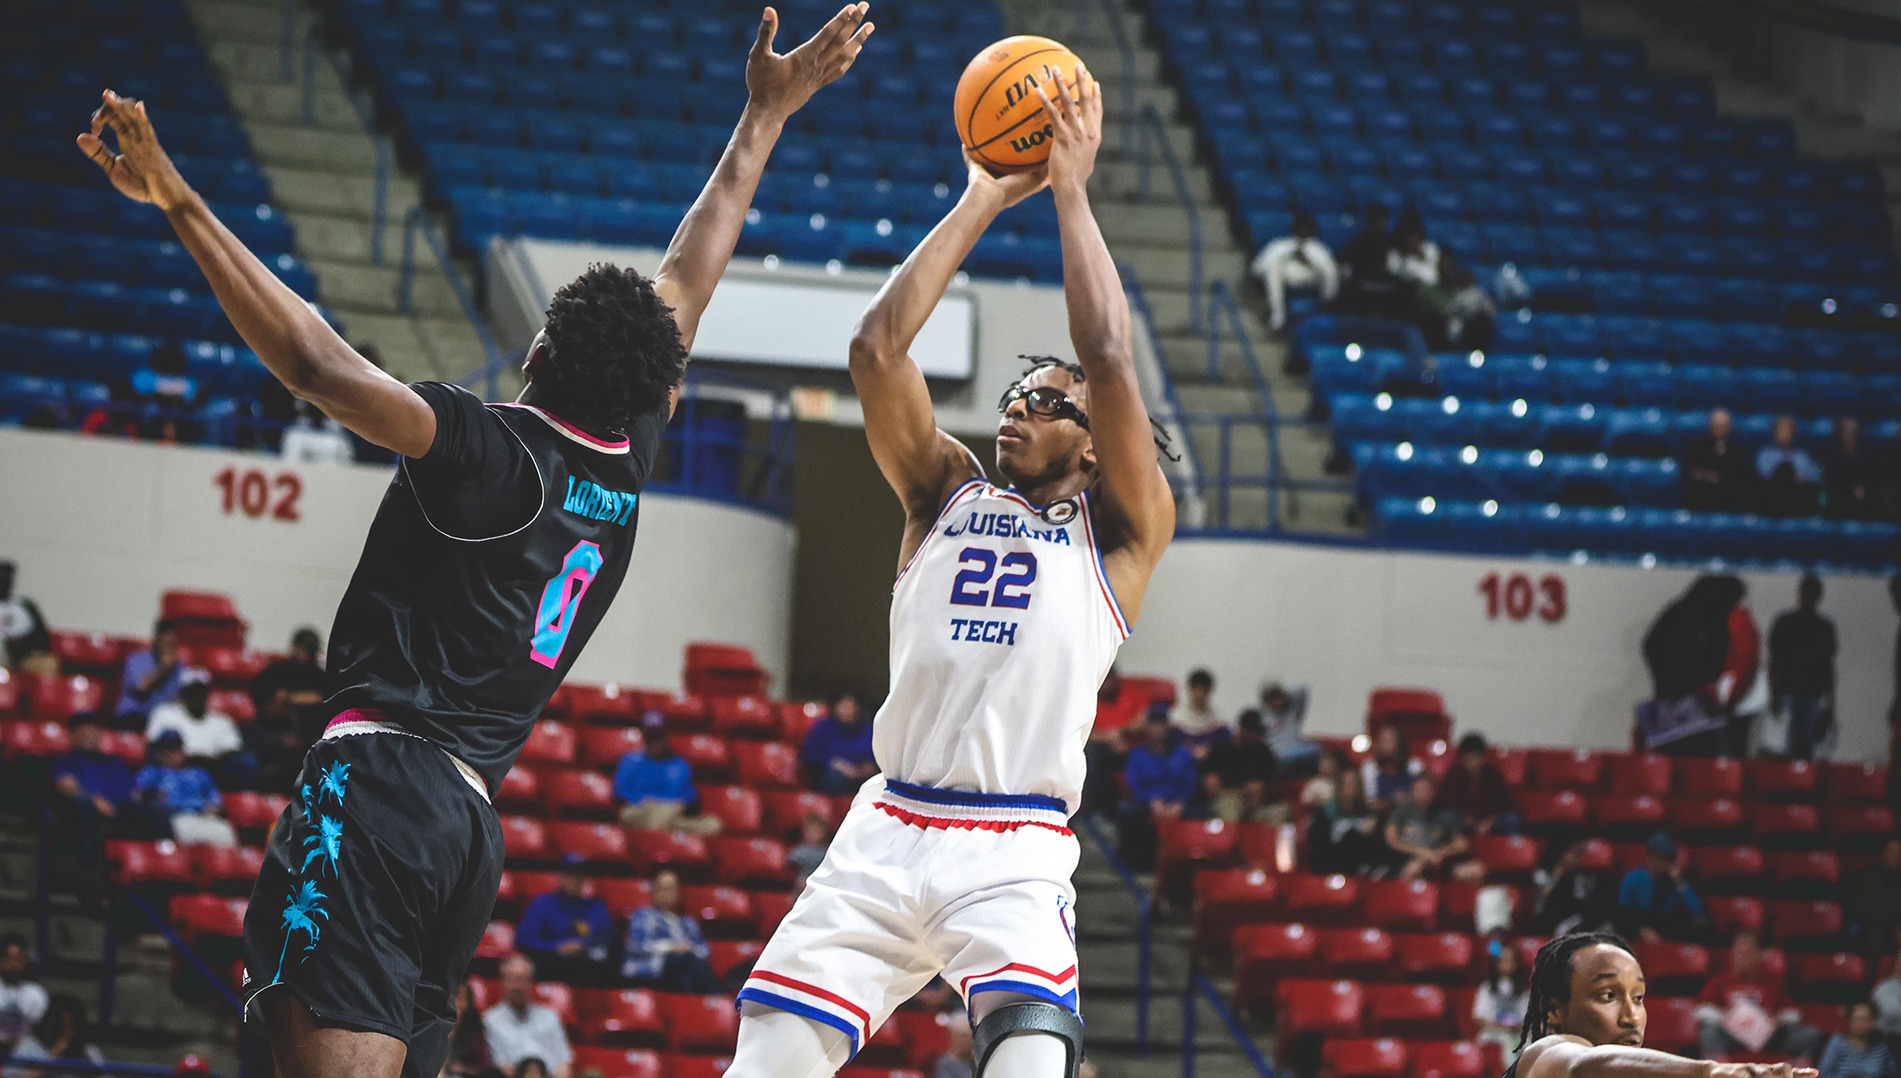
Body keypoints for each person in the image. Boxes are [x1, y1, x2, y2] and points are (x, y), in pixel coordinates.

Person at [82, 14, 869, 1076]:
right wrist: (761, 119)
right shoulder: (623, 463)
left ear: (539, 351)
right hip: (467, 823)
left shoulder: (489, 451)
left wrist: (179, 201)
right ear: (652, 383)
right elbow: (685, 280)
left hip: (379, 788)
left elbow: (318, 367)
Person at [734, 64, 1175, 1078]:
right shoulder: (945, 493)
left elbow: (1106, 352)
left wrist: (1068, 187)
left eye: (1047, 401)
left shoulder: (1119, 535)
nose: (1019, 404)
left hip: (1013, 841)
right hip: (884, 825)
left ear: (1099, 445)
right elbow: (875, 347)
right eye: (1016, 392)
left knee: (1028, 1064)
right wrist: (983, 192)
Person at [1506, 931, 1818, 1078]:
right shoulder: (1543, 1056)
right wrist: (1711, 1071)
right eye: (1607, 996)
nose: (1632, 1017)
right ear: (1556, 1011)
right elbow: (1580, 1062)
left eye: (1638, 997)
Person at [1638, 575, 1743, 757]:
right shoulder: (1711, 620)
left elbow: (1650, 645)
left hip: (1675, 697)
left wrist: (1663, 680)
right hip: (1691, 699)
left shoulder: (1680, 613)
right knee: (1696, 757)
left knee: (1672, 756)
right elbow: (1715, 658)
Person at [1697, 930, 1825, 1061]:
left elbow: (1792, 1014)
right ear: (1733, 955)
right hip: (1733, 1038)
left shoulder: (1772, 981)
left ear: (1757, 955)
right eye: (1740, 953)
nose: (1743, 957)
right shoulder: (1720, 981)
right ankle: (1721, 1072)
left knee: (1811, 1034)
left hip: (1769, 1040)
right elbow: (1701, 1011)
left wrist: (1777, 1019)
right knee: (1709, 1033)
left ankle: (1793, 1071)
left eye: (1748, 953)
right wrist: (1725, 1016)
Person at [514, 855, 613, 985]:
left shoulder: (596, 907)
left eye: (580, 875)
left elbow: (608, 938)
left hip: (588, 969)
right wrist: (556, 947)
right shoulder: (542, 904)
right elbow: (523, 940)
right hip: (551, 968)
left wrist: (583, 945)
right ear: (559, 877)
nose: (576, 880)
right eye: (570, 875)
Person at [247, 628, 326, 791]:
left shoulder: (321, 677)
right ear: (295, 647)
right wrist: (298, 699)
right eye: (305, 649)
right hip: (274, 737)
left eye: (311, 651)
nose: (307, 655)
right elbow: (266, 702)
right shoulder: (276, 672)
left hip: (311, 740)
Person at [1768, 575, 1838, 760]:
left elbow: (1774, 662)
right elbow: (1828, 668)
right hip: (1798, 693)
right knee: (1799, 747)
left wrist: (1774, 693)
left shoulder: (1786, 623)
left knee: (1792, 747)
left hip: (1801, 693)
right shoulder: (1823, 627)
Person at [48, 712, 135, 858]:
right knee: (83, 804)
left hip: (120, 814)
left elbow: (131, 792)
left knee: (154, 810)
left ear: (100, 734)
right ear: (72, 736)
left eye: (92, 731)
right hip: (87, 816)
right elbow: (65, 786)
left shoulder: (115, 762)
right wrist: (95, 801)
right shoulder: (66, 760)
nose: (88, 736)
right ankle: (85, 863)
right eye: (82, 732)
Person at [611, 720, 721, 836]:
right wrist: (645, 801)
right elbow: (620, 792)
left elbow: (689, 794)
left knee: (713, 824)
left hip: (672, 812)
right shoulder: (630, 760)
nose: (655, 742)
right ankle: (658, 834)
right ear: (645, 738)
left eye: (659, 737)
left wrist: (680, 805)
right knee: (652, 816)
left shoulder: (679, 763)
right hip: (640, 810)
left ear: (666, 737)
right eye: (651, 738)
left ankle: (656, 831)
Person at [619, 870, 721, 993]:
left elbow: (705, 951)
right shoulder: (643, 915)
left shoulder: (688, 922)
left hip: (683, 969)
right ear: (654, 891)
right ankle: (718, 996)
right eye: (663, 888)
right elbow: (637, 946)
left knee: (686, 978)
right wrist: (671, 947)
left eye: (672, 888)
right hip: (651, 967)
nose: (668, 893)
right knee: (687, 959)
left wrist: (688, 948)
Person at [1119, 711, 1198, 870]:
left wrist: (1180, 803)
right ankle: (1134, 863)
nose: (1158, 729)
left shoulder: (1182, 753)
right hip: (1147, 802)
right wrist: (1151, 801)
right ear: (1147, 727)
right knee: (1126, 810)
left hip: (1177, 802)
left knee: (1202, 813)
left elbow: (1190, 784)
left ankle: (1191, 866)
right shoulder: (1137, 754)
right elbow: (1134, 785)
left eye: (1162, 724)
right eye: (1154, 724)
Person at [146, 673, 253, 788]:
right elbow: (153, 745)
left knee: (246, 761)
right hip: (179, 769)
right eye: (193, 692)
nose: (198, 696)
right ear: (184, 693)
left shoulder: (221, 721)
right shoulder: (165, 713)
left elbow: (233, 749)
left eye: (201, 692)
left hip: (215, 770)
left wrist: (210, 760)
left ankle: (237, 801)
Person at [134, 732, 237, 846]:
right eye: (168, 750)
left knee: (225, 832)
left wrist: (212, 808)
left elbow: (215, 799)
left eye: (177, 749)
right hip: (175, 818)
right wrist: (153, 796)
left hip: (202, 817)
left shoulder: (198, 773)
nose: (173, 754)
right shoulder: (151, 773)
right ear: (159, 753)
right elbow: (137, 796)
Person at [481, 955, 572, 1078]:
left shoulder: (549, 1017)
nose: (517, 986)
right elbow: (500, 1066)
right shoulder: (490, 1020)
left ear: (531, 982)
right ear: (503, 982)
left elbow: (563, 1062)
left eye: (522, 979)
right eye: (512, 979)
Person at [1386, 774, 1484, 882]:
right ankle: (1412, 898)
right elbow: (1392, 839)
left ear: (1434, 792)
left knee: (1477, 870)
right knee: (1415, 868)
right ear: (1412, 792)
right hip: (1409, 860)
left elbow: (1462, 844)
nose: (1423, 794)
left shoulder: (1448, 814)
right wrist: (1421, 852)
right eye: (1419, 790)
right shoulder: (1401, 812)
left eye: (1427, 790)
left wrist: (1442, 853)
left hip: (1441, 862)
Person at [1251, 211, 1338, 331]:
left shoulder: (1319, 248)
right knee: (1273, 267)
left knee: (1329, 269)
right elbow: (1257, 268)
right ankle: (1278, 315)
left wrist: (1308, 261)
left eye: (1307, 229)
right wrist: (1288, 256)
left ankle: (1327, 305)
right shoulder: (1280, 244)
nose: (1304, 231)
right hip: (1287, 276)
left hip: (1311, 276)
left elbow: (1329, 270)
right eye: (1302, 228)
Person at [1616, 833, 1707, 942]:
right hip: (1640, 924)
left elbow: (1695, 909)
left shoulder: (1678, 881)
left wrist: (1678, 882)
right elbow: (1622, 911)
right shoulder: (1634, 878)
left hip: (1667, 928)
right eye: (1656, 857)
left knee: (1699, 923)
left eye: (1665, 859)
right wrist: (1640, 930)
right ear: (1649, 857)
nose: (1660, 863)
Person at [1200, 711, 1281, 824]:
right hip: (1227, 798)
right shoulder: (1222, 749)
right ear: (1241, 729)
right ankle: (1228, 841)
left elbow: (1271, 786)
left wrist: (1259, 790)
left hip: (1256, 805)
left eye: (1257, 732)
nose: (1255, 735)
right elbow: (1210, 783)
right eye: (1251, 731)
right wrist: (1234, 792)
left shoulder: (1263, 752)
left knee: (1280, 812)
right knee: (1231, 806)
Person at [113, 620, 193, 728]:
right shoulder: (137, 660)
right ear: (157, 640)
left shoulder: (180, 668)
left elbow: (180, 697)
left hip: (162, 721)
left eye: (173, 644)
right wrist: (163, 668)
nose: (169, 648)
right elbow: (141, 688)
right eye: (166, 643)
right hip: (134, 718)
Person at [1530, 839, 1617, 938]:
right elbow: (1548, 910)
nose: (1579, 859)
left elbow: (1602, 911)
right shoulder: (1564, 880)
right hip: (1559, 930)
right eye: (1576, 854)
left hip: (1592, 929)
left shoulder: (1607, 883)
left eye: (1580, 854)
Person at [1437, 733, 1518, 835]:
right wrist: (1465, 819)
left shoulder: (1493, 776)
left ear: (1482, 758)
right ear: (1462, 758)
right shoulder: (1453, 776)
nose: (1472, 762)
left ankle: (1509, 849)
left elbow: (1505, 804)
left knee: (1511, 819)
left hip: (1490, 821)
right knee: (1448, 817)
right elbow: (1446, 803)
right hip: (1462, 822)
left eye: (1475, 757)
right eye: (1468, 757)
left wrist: (1490, 821)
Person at [1309, 767, 1385, 876]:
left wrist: (1377, 821)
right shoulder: (1325, 814)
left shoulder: (1369, 814)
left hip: (1364, 865)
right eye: (1348, 785)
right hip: (1336, 864)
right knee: (1351, 835)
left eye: (1356, 785)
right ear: (1340, 787)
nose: (1352, 789)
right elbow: (1319, 851)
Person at [798, 689, 877, 794]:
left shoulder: (868, 729)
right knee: (834, 778)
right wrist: (836, 763)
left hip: (860, 775)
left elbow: (875, 754)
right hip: (830, 777)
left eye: (851, 706)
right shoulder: (823, 726)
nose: (848, 710)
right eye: (844, 706)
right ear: (835, 707)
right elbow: (809, 754)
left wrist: (869, 765)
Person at [1682, 409, 1755, 513]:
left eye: (1723, 425)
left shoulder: (1737, 451)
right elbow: (1690, 473)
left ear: (1729, 427)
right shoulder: (1697, 447)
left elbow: (1741, 478)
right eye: (1716, 425)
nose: (1719, 428)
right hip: (1701, 503)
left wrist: (1718, 477)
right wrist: (1711, 476)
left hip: (1729, 504)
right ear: (1710, 426)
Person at [11, 993, 106, 1072]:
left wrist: (88, 1069)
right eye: (63, 1026)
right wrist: (51, 1057)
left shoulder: (86, 1051)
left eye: (72, 1026)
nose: (68, 1032)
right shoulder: (29, 1046)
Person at [1243, 681, 1319, 777]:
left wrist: (1283, 692)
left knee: (1318, 752)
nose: (1278, 701)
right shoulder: (1261, 716)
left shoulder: (1292, 711)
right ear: (1266, 701)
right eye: (1273, 698)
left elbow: (1303, 689)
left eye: (1279, 697)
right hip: (1280, 758)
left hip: (1299, 753)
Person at [1337, 203, 1397, 316]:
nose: (1380, 224)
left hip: (1384, 285)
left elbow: (1392, 268)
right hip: (1361, 285)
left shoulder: (1390, 243)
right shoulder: (1356, 243)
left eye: (1382, 221)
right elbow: (1346, 268)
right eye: (1376, 221)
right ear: (1369, 222)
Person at [1758, 415, 1824, 517]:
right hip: (1774, 501)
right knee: (1784, 470)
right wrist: (1791, 475)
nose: (1785, 435)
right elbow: (1764, 476)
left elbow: (1815, 476)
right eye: (1782, 431)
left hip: (1797, 500)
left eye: (1788, 431)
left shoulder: (1802, 455)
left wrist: (1802, 477)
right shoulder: (1765, 454)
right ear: (1775, 433)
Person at [1475, 944, 1531, 1062]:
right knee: (1506, 1045)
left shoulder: (1524, 990)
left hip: (1516, 1033)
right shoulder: (1487, 988)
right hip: (1493, 1034)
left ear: (1517, 963)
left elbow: (1526, 1019)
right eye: (1503, 960)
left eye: (1510, 960)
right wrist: (1499, 1027)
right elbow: (1480, 1018)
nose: (1506, 963)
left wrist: (1514, 1027)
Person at [1846, 836, 1901, 957]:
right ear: (1882, 854)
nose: (1894, 857)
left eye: (1898, 854)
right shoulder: (1865, 880)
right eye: (1891, 852)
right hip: (1871, 933)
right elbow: (1858, 912)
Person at [1817, 1002, 1898, 1078]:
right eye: (1858, 1019)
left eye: (1866, 1019)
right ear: (1849, 1021)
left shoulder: (1881, 1046)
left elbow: (1893, 1073)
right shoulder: (1838, 1043)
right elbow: (1824, 1074)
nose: (1862, 1024)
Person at [0, 938, 48, 1064]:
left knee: (46, 1064)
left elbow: (33, 1024)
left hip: (21, 1045)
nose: (14, 964)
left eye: (19, 959)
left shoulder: (35, 993)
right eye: (10, 958)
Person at [1824, 418, 1879, 520]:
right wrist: (1851, 490)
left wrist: (1863, 488)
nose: (1849, 435)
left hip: (1864, 497)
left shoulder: (1866, 455)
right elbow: (1831, 480)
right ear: (1840, 433)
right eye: (1846, 431)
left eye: (1852, 432)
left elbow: (1872, 476)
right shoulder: (1831, 456)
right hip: (1838, 498)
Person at [0, 562, 51, 672]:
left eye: (6, 577)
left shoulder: (23, 606)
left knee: (47, 664)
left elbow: (42, 641)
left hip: (21, 659)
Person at [443, 983, 498, 1078]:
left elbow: (485, 1067)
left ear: (469, 1004)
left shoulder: (475, 1035)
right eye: (454, 997)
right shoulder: (433, 1027)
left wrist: (463, 1068)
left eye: (461, 999)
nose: (456, 1003)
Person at [1169, 668, 1229, 754]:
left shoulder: (1219, 720)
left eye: (1204, 691)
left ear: (1209, 691)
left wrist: (1208, 751)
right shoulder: (1175, 717)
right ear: (1189, 689)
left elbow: (1224, 746)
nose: (1199, 695)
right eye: (1196, 690)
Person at [1361, 725, 1423, 808]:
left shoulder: (1414, 765)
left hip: (1410, 812)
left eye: (1388, 740)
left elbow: (1422, 796)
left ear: (1399, 743)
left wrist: (1407, 798)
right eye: (1381, 741)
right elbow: (1370, 799)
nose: (1384, 745)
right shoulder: (1369, 768)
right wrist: (1391, 802)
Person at [787, 814, 831, 884]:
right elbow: (790, 862)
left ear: (823, 833)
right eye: (809, 831)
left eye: (816, 831)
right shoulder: (799, 850)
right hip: (802, 881)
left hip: (822, 881)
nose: (812, 834)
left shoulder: (827, 852)